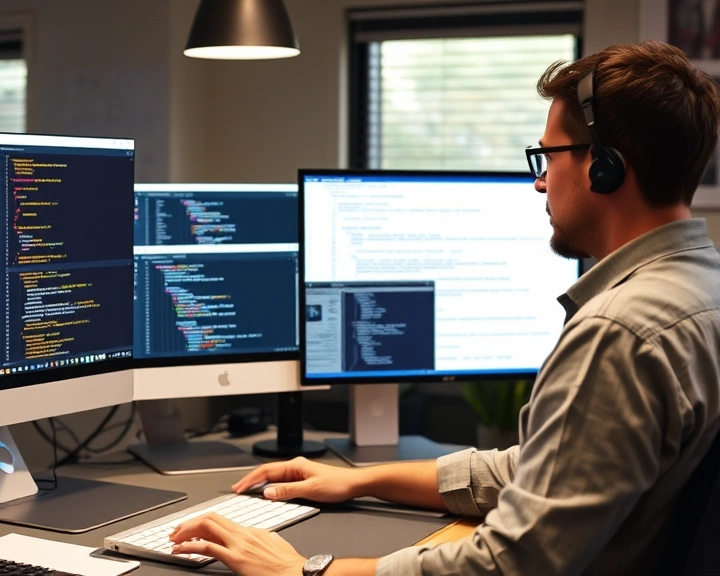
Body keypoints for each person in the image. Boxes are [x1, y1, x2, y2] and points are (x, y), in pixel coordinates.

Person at [168, 40, 720, 576]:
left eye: (547, 156)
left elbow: (514, 563)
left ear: (604, 168)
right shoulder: (700, 291)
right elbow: (545, 470)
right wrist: (361, 479)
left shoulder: (618, 332)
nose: (539, 181)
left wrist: (306, 571)